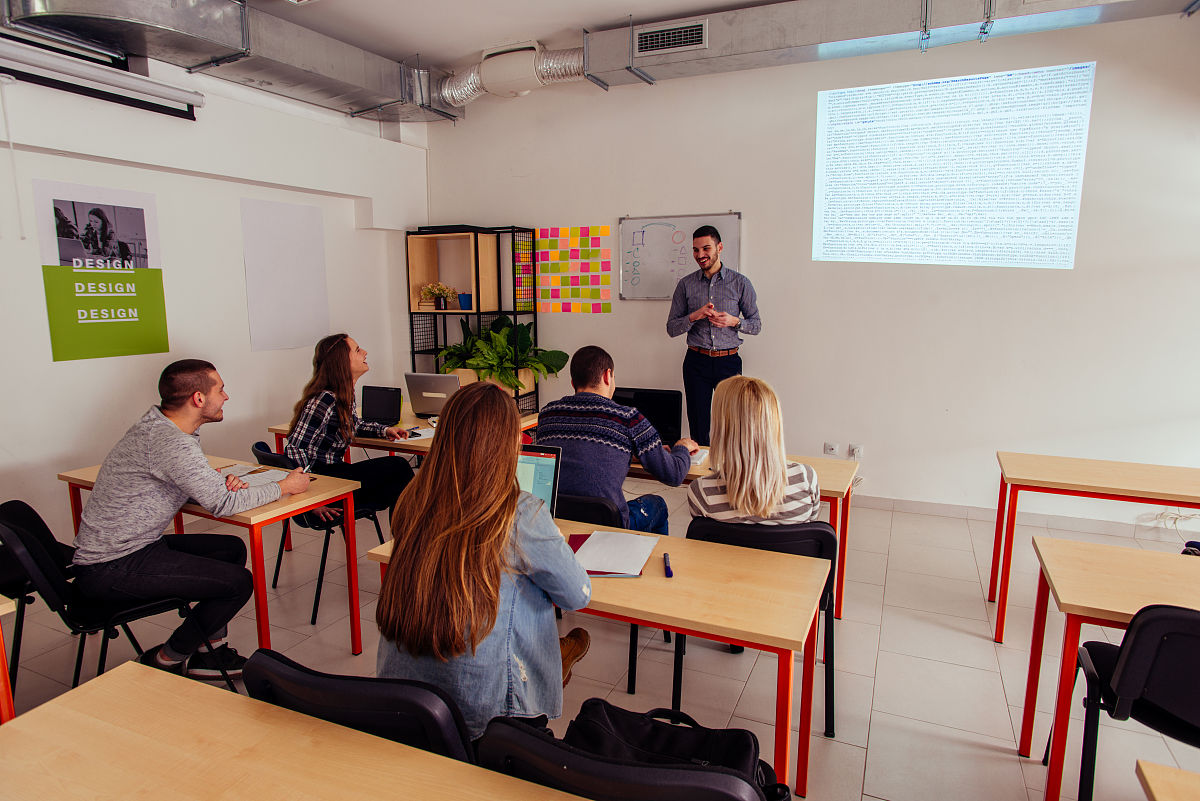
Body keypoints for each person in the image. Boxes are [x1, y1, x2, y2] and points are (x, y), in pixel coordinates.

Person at [376, 382, 592, 740]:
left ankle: (560, 653)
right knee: (525, 599)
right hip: (485, 719)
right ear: (509, 446)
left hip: (403, 707)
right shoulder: (521, 513)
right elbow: (577, 595)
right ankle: (557, 656)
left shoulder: (413, 500)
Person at [71, 359, 313, 678]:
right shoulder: (170, 441)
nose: (226, 396)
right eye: (220, 389)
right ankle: (167, 657)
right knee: (238, 583)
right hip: (112, 565)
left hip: (133, 547)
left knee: (230, 550)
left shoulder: (160, 425)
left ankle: (208, 651)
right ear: (198, 399)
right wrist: (284, 485)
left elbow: (188, 484)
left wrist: (211, 484)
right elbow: (222, 504)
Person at [536, 345, 699, 534]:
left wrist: (628, 451)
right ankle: (649, 560)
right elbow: (674, 475)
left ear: (573, 382)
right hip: (610, 526)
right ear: (608, 375)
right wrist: (682, 448)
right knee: (658, 505)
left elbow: (578, 454)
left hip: (556, 523)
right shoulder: (628, 418)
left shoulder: (547, 414)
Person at [284, 334, 414, 519]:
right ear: (341, 361)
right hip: (323, 481)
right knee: (399, 469)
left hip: (334, 473)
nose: (365, 353)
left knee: (399, 477)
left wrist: (384, 430)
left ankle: (405, 530)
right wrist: (311, 499)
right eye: (358, 350)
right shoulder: (324, 400)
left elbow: (353, 424)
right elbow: (295, 450)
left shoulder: (343, 394)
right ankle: (406, 532)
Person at [666, 225, 761, 447]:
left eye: (706, 248)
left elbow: (756, 325)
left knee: (734, 424)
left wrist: (734, 321)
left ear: (719, 247)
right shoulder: (686, 285)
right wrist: (694, 316)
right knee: (699, 425)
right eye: (695, 250)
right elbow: (671, 328)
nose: (700, 255)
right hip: (696, 362)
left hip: (728, 361)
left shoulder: (740, 283)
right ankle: (703, 476)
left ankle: (732, 473)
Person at [688, 376, 820, 525]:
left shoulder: (701, 493)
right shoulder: (805, 479)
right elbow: (810, 530)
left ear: (722, 427)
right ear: (773, 422)